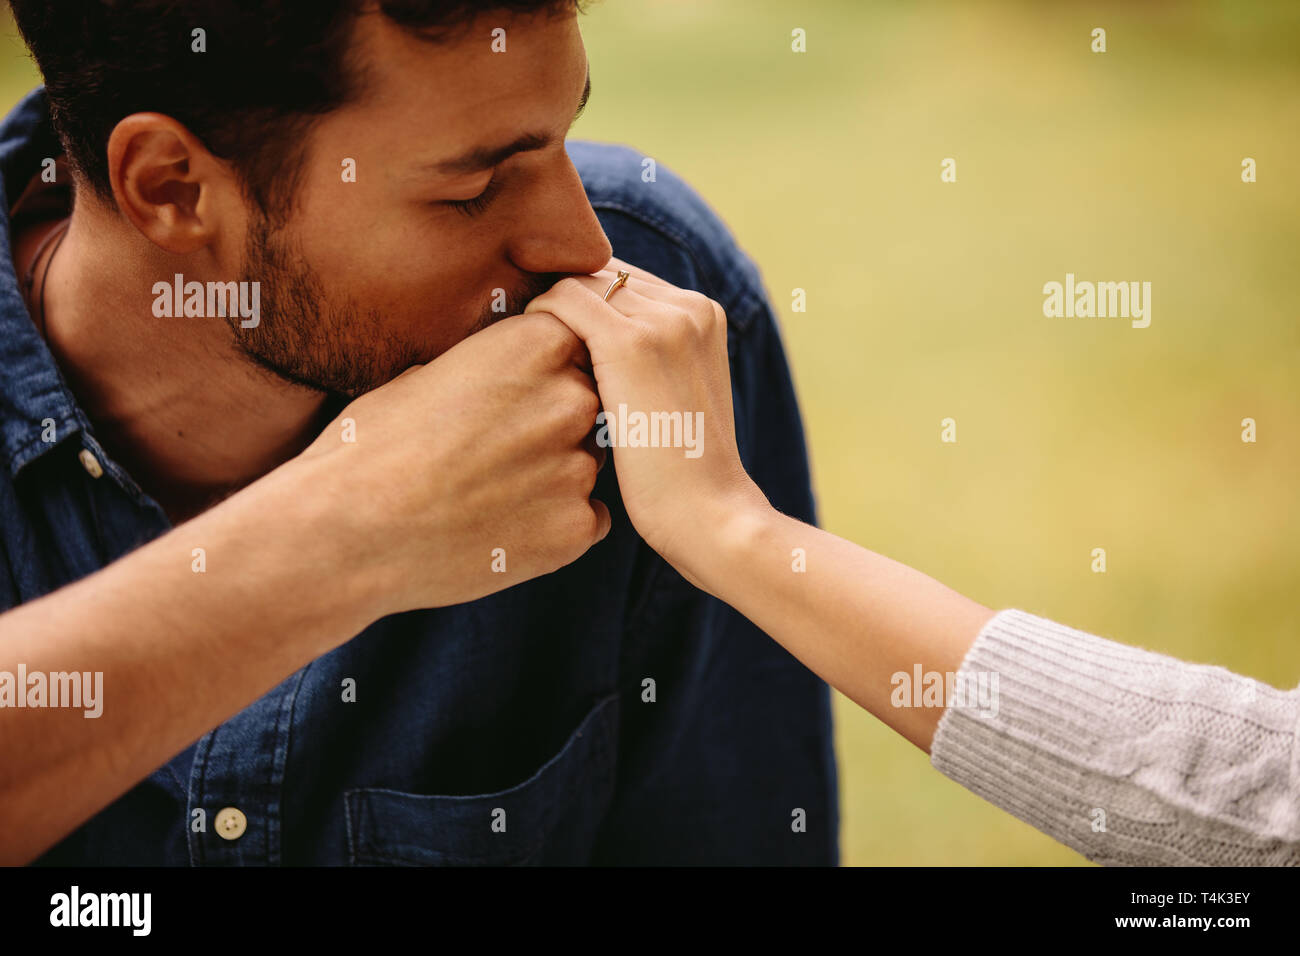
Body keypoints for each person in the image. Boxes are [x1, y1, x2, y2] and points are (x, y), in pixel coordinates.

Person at [0, 1, 837, 866]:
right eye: (471, 192)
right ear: (171, 186)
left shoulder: (655, 319)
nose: (583, 247)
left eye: (562, 136)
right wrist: (355, 529)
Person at [526, 260, 1300, 867]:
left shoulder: (663, 263)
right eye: (473, 185)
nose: (583, 239)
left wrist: (730, 529)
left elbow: (1273, 807)